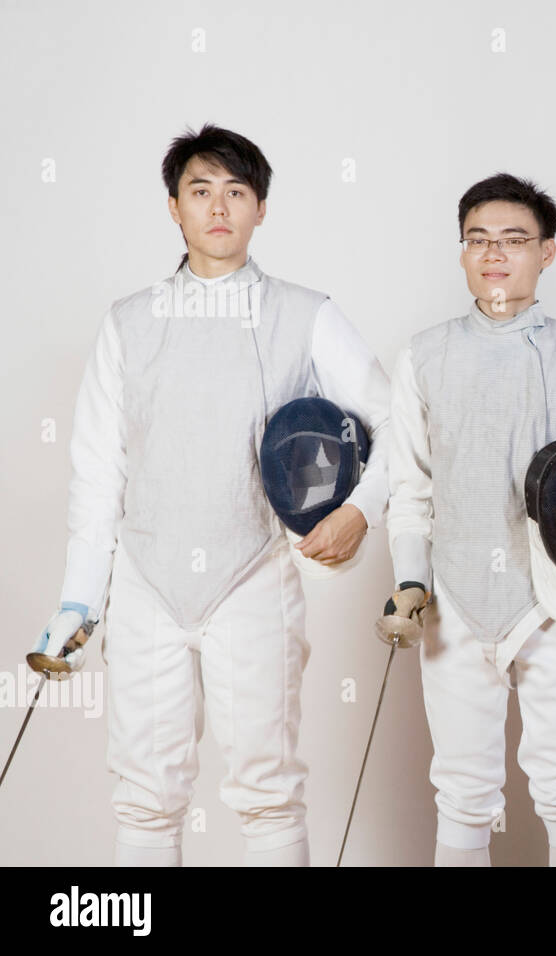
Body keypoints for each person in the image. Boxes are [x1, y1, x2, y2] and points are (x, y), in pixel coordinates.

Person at [29, 124, 392, 866]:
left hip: (253, 577)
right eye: (201, 191)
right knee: (145, 796)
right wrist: (79, 600)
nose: (218, 207)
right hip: (145, 584)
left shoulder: (306, 312)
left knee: (266, 790)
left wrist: (362, 509)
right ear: (173, 207)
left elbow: (398, 424)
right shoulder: (128, 323)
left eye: (236, 191)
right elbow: (99, 470)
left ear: (261, 208)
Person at [384, 173, 556, 867]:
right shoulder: (423, 355)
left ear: (547, 252)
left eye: (513, 240)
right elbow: (410, 483)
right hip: (453, 598)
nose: (494, 253)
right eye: (478, 240)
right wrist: (411, 582)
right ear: (463, 252)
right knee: (464, 793)